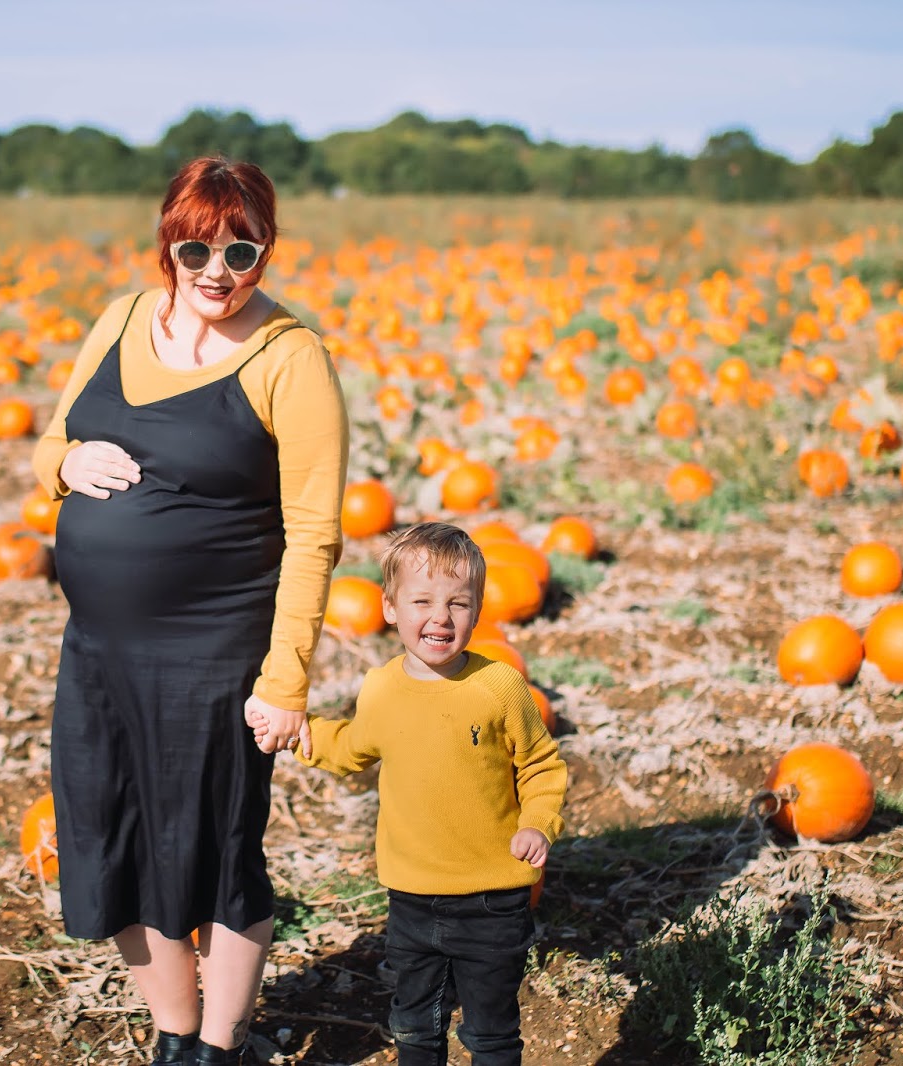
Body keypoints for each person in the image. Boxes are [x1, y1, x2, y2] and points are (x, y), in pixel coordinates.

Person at [31, 156, 348, 1066]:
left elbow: (315, 532)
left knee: (212, 853)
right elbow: (51, 438)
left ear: (267, 253)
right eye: (197, 246)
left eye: (241, 251)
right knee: (111, 840)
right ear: (169, 243)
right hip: (98, 649)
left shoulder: (290, 358)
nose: (217, 269)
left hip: (216, 652)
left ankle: (219, 1047)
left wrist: (285, 680)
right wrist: (62, 465)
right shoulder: (122, 318)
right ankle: (173, 1035)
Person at [250, 522, 567, 1065]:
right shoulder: (382, 688)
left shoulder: (500, 687)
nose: (440, 617)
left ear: (478, 608)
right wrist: (300, 734)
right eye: (421, 600)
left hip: (492, 897)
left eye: (458, 603)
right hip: (411, 896)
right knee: (416, 1026)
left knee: (491, 1033)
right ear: (390, 607)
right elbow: (353, 746)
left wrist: (538, 823)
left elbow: (541, 765)